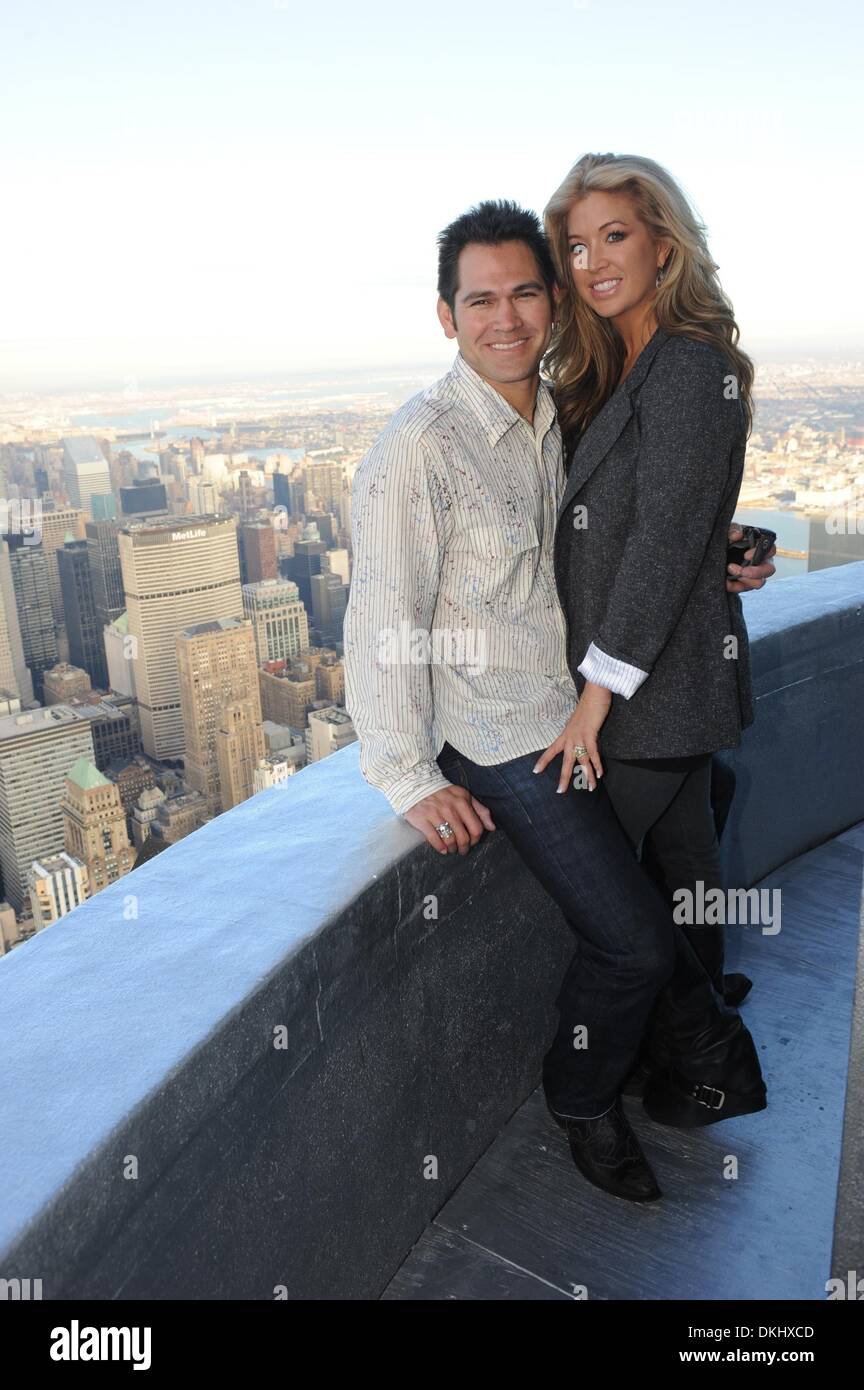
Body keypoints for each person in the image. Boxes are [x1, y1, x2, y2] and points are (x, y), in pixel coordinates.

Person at [343, 200, 773, 1204]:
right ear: (447, 316)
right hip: (502, 734)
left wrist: (723, 553)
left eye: (525, 291)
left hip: (584, 705)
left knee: (700, 816)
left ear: (551, 299)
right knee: (629, 938)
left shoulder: (558, 410)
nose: (506, 317)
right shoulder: (419, 446)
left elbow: (627, 527)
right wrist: (405, 774)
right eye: (480, 299)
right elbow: (385, 621)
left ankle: (690, 1011)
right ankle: (581, 1097)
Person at [537, 153, 764, 1098]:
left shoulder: (684, 366)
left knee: (613, 910)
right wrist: (726, 547)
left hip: (646, 695)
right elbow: (655, 526)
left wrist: (592, 703)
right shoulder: (608, 367)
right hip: (663, 686)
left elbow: (662, 543)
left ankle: (664, 1068)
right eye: (577, 244)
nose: (592, 261)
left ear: (664, 244)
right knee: (686, 867)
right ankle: (695, 1038)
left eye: (614, 236)